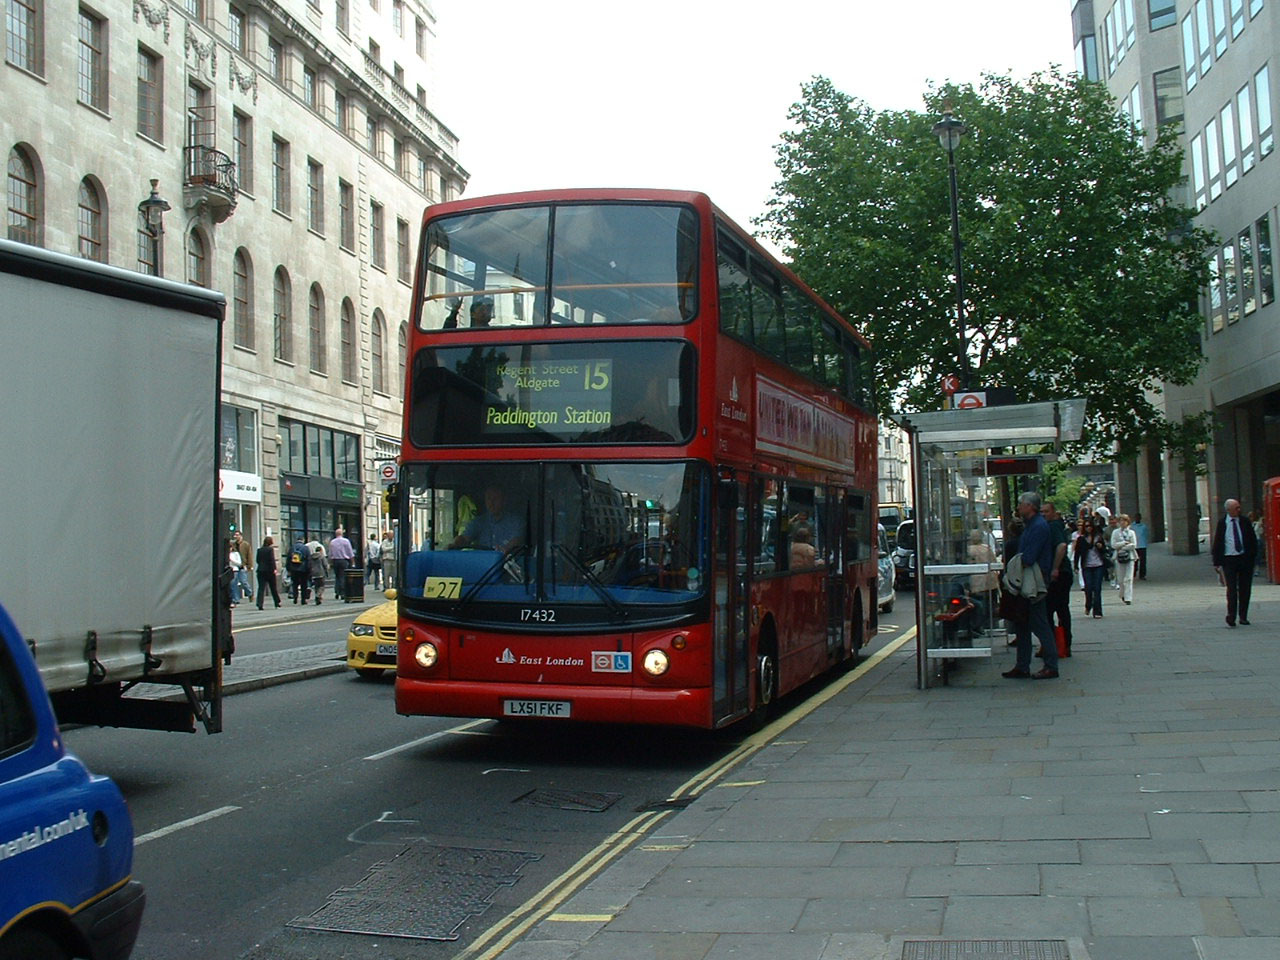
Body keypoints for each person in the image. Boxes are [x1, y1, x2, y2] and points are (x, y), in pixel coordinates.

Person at [1002, 492, 1059, 681]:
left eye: (1021, 504)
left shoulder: (1038, 527)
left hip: (1034, 582)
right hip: (1029, 580)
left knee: (1039, 623)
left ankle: (1051, 665)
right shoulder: (1032, 525)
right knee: (1022, 623)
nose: (1018, 507)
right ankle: (1022, 665)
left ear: (1030, 506)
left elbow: (1028, 557)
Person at [1211, 498, 1258, 627]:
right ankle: (1231, 615)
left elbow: (1252, 540)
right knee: (1231, 589)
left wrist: (1252, 557)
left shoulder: (1244, 522)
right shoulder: (1222, 523)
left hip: (1244, 559)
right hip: (1229, 559)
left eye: (1239, 507)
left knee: (1245, 588)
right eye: (1236, 508)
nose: (1239, 510)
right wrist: (1216, 562)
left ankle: (1243, 616)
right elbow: (1218, 542)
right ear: (1228, 510)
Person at [449, 484, 522, 553]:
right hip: (484, 564)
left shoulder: (515, 522)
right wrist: (455, 544)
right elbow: (465, 538)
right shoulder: (478, 522)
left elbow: (516, 541)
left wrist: (506, 549)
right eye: (489, 498)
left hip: (507, 563)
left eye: (495, 499)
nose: (491, 503)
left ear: (504, 501)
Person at [1042, 500, 1073, 657]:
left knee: (1051, 610)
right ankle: (1063, 644)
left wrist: (1055, 568)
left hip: (1059, 574)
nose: (1044, 514)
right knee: (1062, 610)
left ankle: (1058, 644)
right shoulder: (1056, 525)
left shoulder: (1053, 526)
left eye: (1046, 511)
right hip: (1063, 573)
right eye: (1042, 512)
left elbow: (1061, 546)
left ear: (1053, 512)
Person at [1074, 521, 1109, 618]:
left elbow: (1105, 550)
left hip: (1098, 565)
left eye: (1090, 526)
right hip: (1087, 566)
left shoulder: (1098, 538)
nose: (1088, 528)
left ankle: (1097, 611)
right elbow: (1077, 553)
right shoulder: (1081, 539)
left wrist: (1101, 547)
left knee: (1097, 588)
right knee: (1088, 588)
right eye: (1086, 526)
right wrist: (1076, 566)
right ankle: (1088, 605)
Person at [1110, 514, 1138, 605]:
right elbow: (1113, 545)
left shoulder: (1131, 533)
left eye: (1124, 521)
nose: (1122, 523)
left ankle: (1128, 597)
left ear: (1128, 522)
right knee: (1121, 579)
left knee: (1129, 578)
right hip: (1119, 557)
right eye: (1121, 521)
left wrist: (1122, 547)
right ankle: (1122, 593)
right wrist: (1124, 543)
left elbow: (1133, 545)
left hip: (1130, 557)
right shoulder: (1115, 532)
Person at [255, 535, 281, 609]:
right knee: (273, 588)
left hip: (260, 570)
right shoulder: (270, 550)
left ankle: (259, 604)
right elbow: (272, 560)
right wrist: (274, 569)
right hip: (269, 571)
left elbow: (257, 560)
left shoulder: (259, 550)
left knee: (261, 588)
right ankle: (277, 602)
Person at [328, 527, 354, 601]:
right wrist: (352, 561)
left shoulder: (332, 542)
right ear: (342, 534)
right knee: (343, 576)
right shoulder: (346, 541)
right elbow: (350, 552)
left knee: (337, 576)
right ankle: (343, 592)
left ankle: (337, 592)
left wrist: (330, 562)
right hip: (344, 560)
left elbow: (330, 553)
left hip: (335, 561)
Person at [286, 536, 311, 604]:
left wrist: (288, 569)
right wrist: (309, 570)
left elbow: (288, 558)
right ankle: (303, 600)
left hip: (294, 569)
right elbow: (308, 559)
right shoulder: (305, 548)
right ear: (303, 540)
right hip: (303, 569)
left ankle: (295, 598)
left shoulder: (292, 547)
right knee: (303, 585)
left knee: (295, 584)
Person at [306, 537, 329, 605]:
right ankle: (318, 595)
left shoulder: (311, 557)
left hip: (313, 573)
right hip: (321, 573)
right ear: (321, 550)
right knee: (321, 586)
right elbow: (325, 565)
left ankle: (317, 597)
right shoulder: (322, 556)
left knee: (316, 586)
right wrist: (327, 573)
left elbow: (309, 565)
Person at [1130, 512, 1150, 580]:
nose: (1137, 518)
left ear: (1140, 518)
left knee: (1143, 561)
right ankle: (1133, 573)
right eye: (1136, 517)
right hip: (1135, 546)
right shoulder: (1131, 527)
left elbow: (1146, 535)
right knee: (1134, 561)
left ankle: (1142, 575)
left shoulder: (1143, 526)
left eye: (1139, 517)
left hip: (1142, 545)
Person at [227, 541, 246, 607]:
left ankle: (235, 599)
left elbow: (239, 563)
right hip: (228, 570)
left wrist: (231, 560)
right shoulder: (225, 553)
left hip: (234, 570)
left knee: (233, 584)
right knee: (230, 586)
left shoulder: (235, 554)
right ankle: (233, 598)